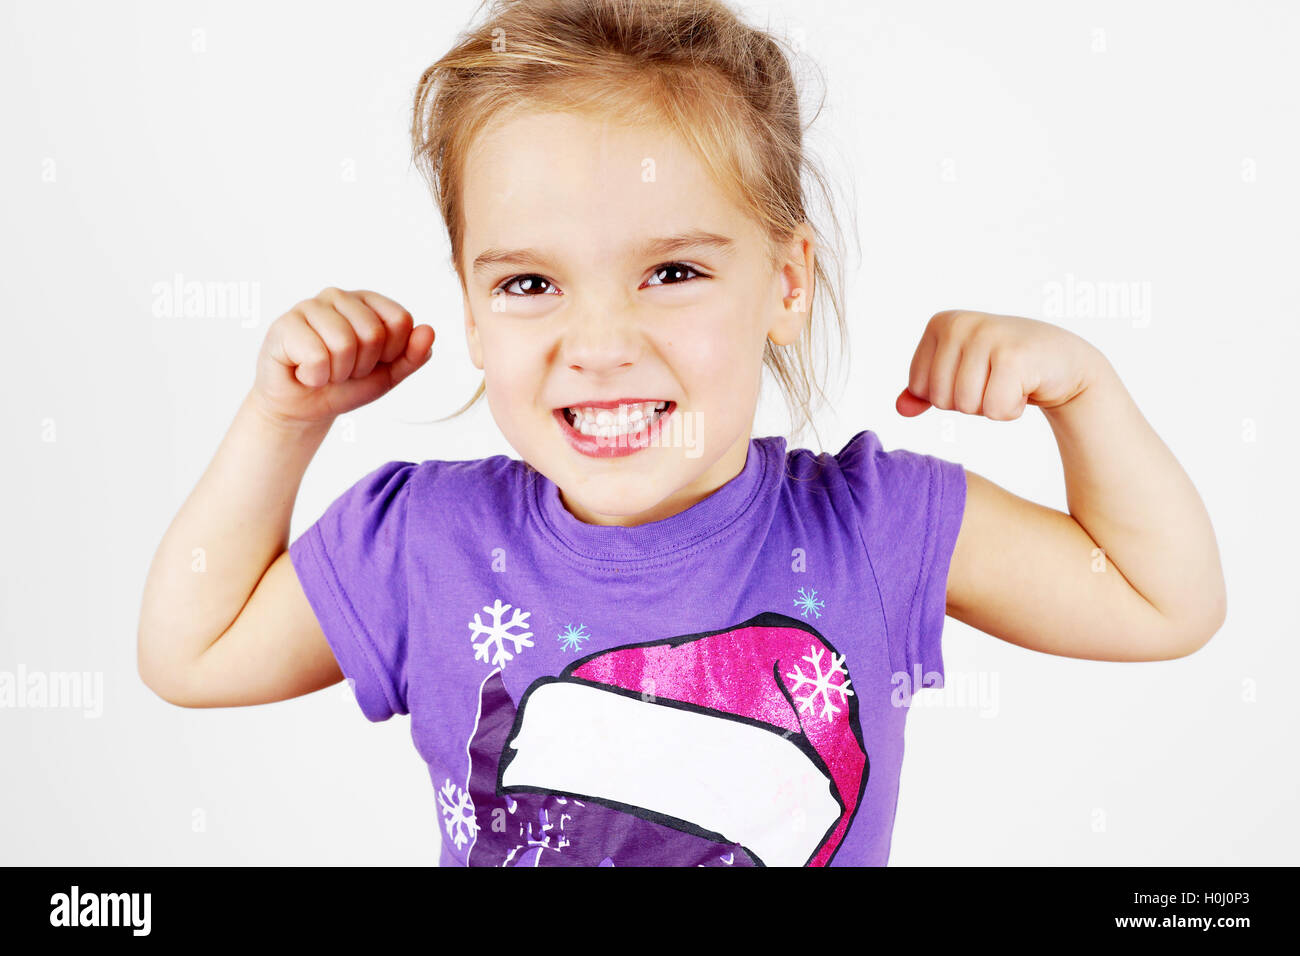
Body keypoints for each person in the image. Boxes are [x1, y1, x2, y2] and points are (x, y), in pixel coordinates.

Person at [137, 0, 1226, 866]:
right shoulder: (425, 534)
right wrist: (284, 420)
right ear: (470, 310)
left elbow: (1160, 600)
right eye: (529, 281)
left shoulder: (874, 524)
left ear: (786, 282)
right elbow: (192, 652)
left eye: (672, 272)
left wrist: (1085, 396)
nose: (599, 341)